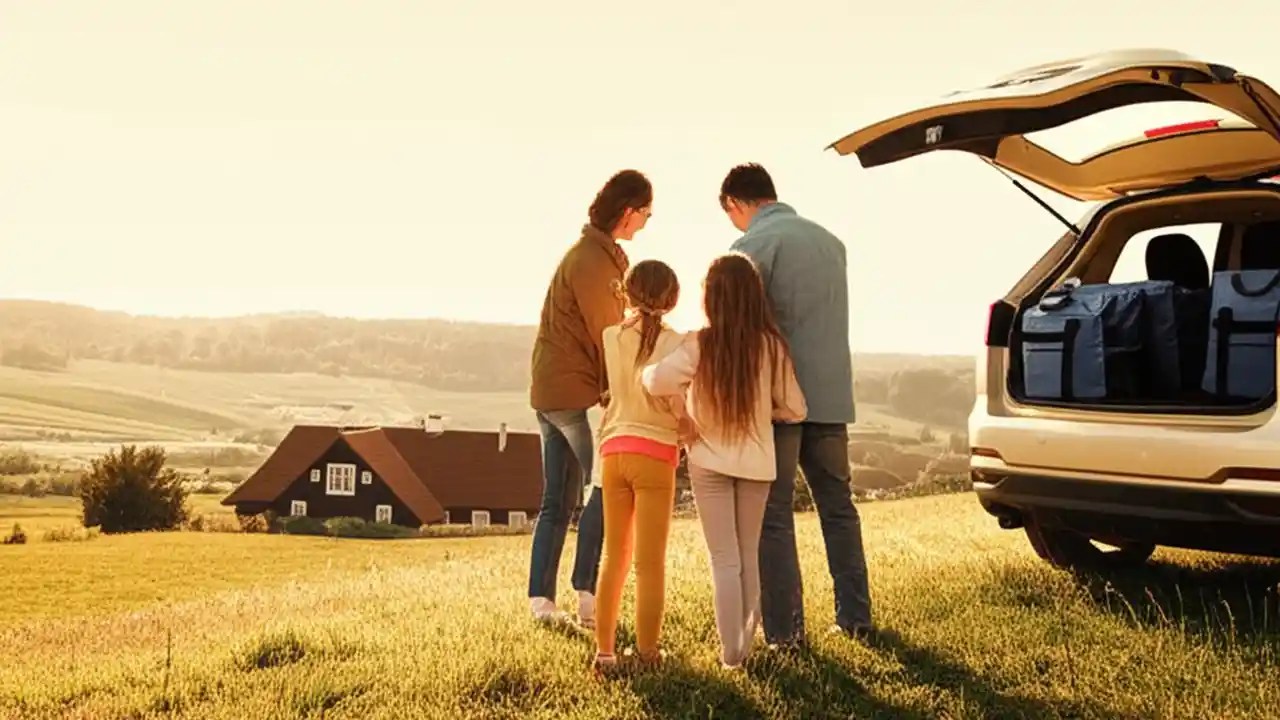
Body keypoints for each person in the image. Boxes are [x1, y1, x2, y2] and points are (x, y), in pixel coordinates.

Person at [718, 162, 873, 646]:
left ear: (735, 204)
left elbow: (740, 330)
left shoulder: (751, 247)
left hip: (779, 402)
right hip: (831, 396)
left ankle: (786, 632)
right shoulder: (831, 243)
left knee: (775, 514)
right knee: (839, 509)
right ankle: (857, 617)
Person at [642, 252, 807, 668]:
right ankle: (745, 648)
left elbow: (655, 380)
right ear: (754, 296)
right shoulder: (772, 346)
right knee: (748, 555)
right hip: (756, 465)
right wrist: (765, 411)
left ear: (710, 297)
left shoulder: (700, 343)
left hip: (709, 462)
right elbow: (796, 409)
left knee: (724, 560)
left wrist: (687, 409)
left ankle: (731, 655)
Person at [528, 169, 653, 627]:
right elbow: (609, 339)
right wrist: (623, 395)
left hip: (552, 393)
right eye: (645, 214)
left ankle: (542, 602)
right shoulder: (594, 263)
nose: (646, 223)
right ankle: (587, 595)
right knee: (607, 489)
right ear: (628, 212)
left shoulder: (593, 255)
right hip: (577, 396)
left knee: (557, 501)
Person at [591, 259, 690, 673]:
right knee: (650, 563)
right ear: (672, 299)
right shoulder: (678, 342)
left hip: (614, 451)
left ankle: (605, 653)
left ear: (627, 294)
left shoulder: (611, 336)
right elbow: (674, 396)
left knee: (614, 557)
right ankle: (648, 655)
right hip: (655, 453)